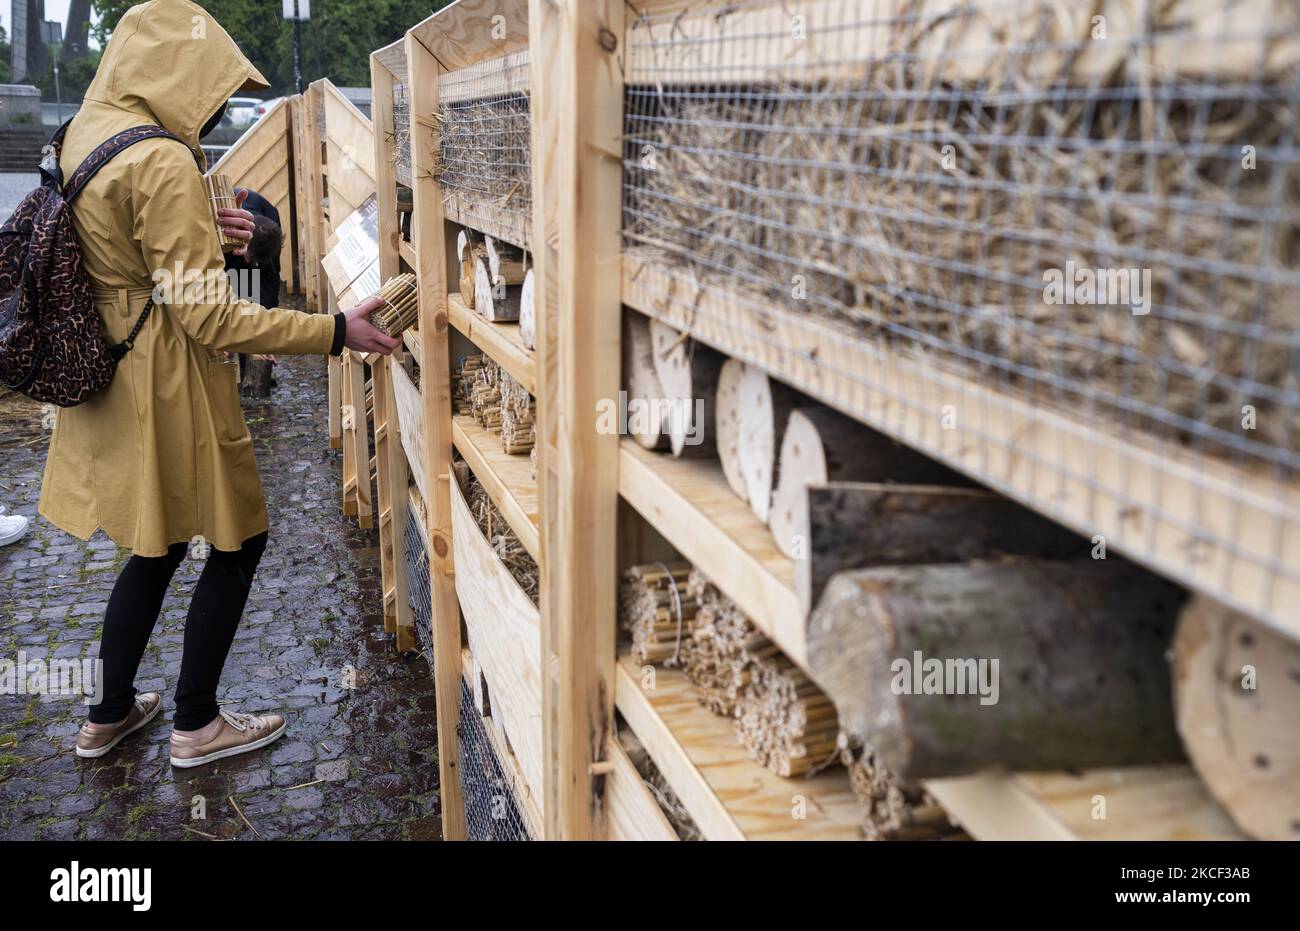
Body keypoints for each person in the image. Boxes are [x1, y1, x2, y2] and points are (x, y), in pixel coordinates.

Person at [39, 0, 398, 766]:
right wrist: (336, 331)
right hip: (167, 381)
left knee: (155, 543)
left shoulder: (87, 132)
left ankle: (107, 713)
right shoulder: (161, 158)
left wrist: (210, 229)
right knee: (240, 536)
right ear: (178, 67)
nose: (205, 99)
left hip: (110, 366)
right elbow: (214, 322)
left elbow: (123, 246)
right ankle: (197, 722)